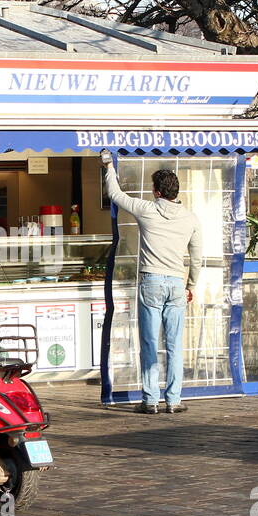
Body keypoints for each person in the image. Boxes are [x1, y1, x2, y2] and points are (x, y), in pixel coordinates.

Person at [101, 150, 203, 414]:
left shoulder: (147, 210)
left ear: (157, 192)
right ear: (176, 191)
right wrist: (191, 285)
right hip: (176, 283)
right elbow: (197, 257)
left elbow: (116, 194)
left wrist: (109, 165)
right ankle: (174, 400)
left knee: (149, 343)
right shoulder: (190, 218)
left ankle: (150, 400)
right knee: (174, 345)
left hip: (151, 281)